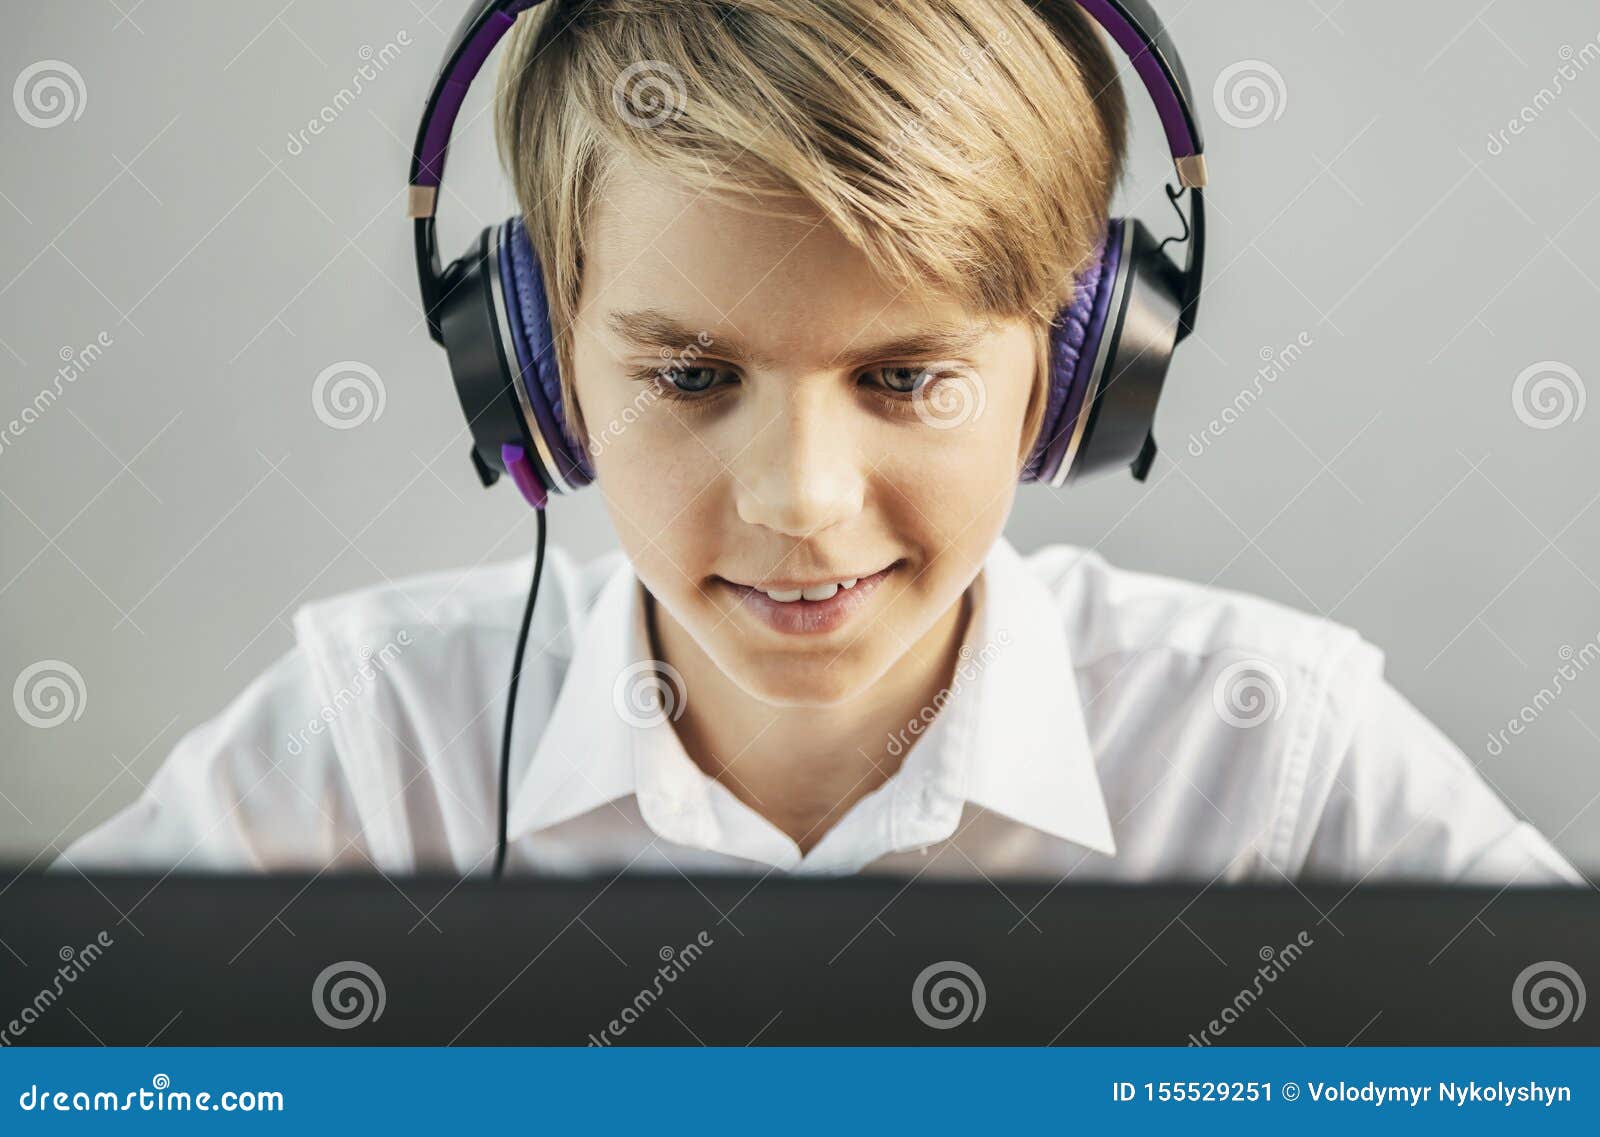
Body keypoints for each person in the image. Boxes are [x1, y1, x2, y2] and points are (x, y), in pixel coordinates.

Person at [59, 0, 1580, 885]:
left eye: (907, 375)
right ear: (538, 366)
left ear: (1076, 368)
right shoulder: (368, 747)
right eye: (691, 374)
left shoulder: (1281, 762)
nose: (799, 498)